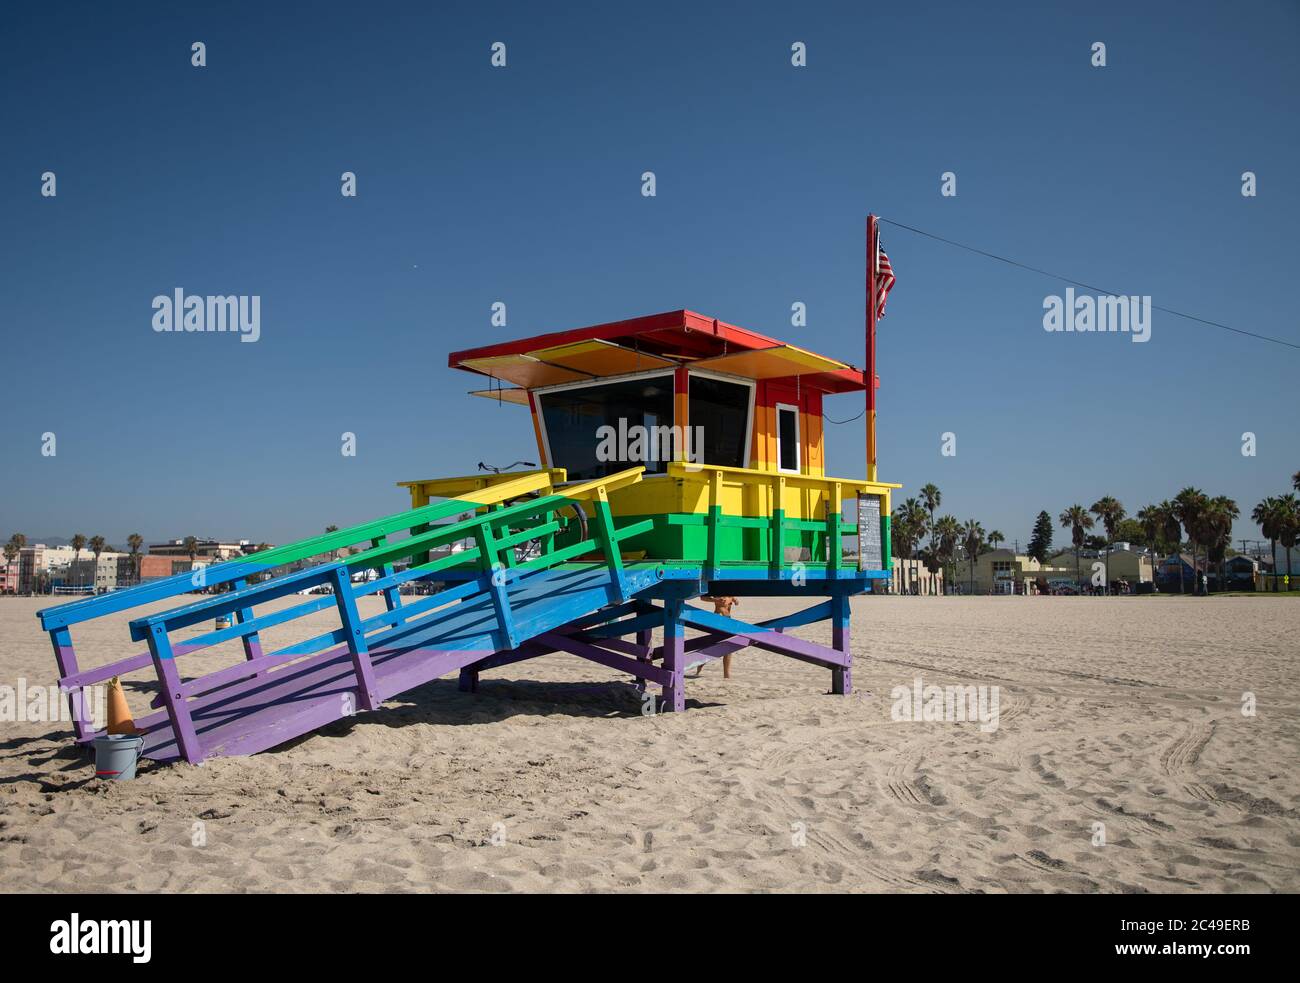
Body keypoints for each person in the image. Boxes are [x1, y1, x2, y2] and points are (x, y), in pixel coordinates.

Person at [693, 596, 740, 679]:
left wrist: (736, 601)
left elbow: (734, 600)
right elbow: (703, 598)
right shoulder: (718, 590)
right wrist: (716, 600)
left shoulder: (730, 593)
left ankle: (726, 675)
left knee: (729, 648)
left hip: (728, 620)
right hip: (717, 619)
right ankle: (701, 664)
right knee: (713, 646)